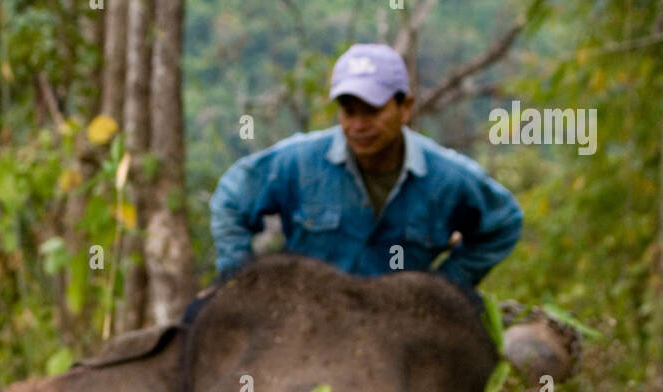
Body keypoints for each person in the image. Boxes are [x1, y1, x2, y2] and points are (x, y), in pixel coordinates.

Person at [208, 42, 523, 293]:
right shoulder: (298, 162)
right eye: (348, 111)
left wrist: (447, 286)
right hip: (307, 318)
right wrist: (239, 281)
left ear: (405, 108)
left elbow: (504, 221)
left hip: (399, 328)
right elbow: (231, 197)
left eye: (372, 111)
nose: (358, 125)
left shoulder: (447, 178)